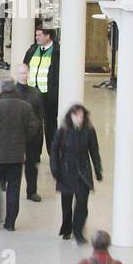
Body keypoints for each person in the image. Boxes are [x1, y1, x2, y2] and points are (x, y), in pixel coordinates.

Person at [0, 79, 36, 232]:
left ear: (2, 90)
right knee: (14, 188)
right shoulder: (25, 107)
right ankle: (10, 223)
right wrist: (23, 140)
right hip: (16, 156)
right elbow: (33, 128)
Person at [50, 103, 103, 244]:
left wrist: (98, 169)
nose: (79, 118)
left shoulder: (89, 131)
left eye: (81, 115)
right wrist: (55, 169)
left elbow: (94, 151)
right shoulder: (63, 130)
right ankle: (67, 228)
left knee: (82, 204)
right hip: (66, 172)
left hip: (83, 173)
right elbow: (54, 150)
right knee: (66, 205)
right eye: (76, 115)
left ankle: (78, 231)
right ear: (70, 116)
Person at [11, 63, 46, 203]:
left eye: (25, 73)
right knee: (13, 164)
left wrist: (36, 134)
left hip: (32, 136)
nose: (23, 75)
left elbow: (39, 116)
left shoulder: (35, 93)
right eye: (21, 73)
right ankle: (7, 183)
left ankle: (31, 191)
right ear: (16, 74)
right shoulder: (11, 93)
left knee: (32, 165)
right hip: (15, 136)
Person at [24, 25, 61, 153]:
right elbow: (26, 67)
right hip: (33, 94)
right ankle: (34, 153)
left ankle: (53, 153)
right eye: (36, 35)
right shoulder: (32, 50)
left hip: (48, 96)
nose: (36, 37)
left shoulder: (57, 52)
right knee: (34, 126)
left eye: (39, 35)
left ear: (48, 36)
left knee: (50, 126)